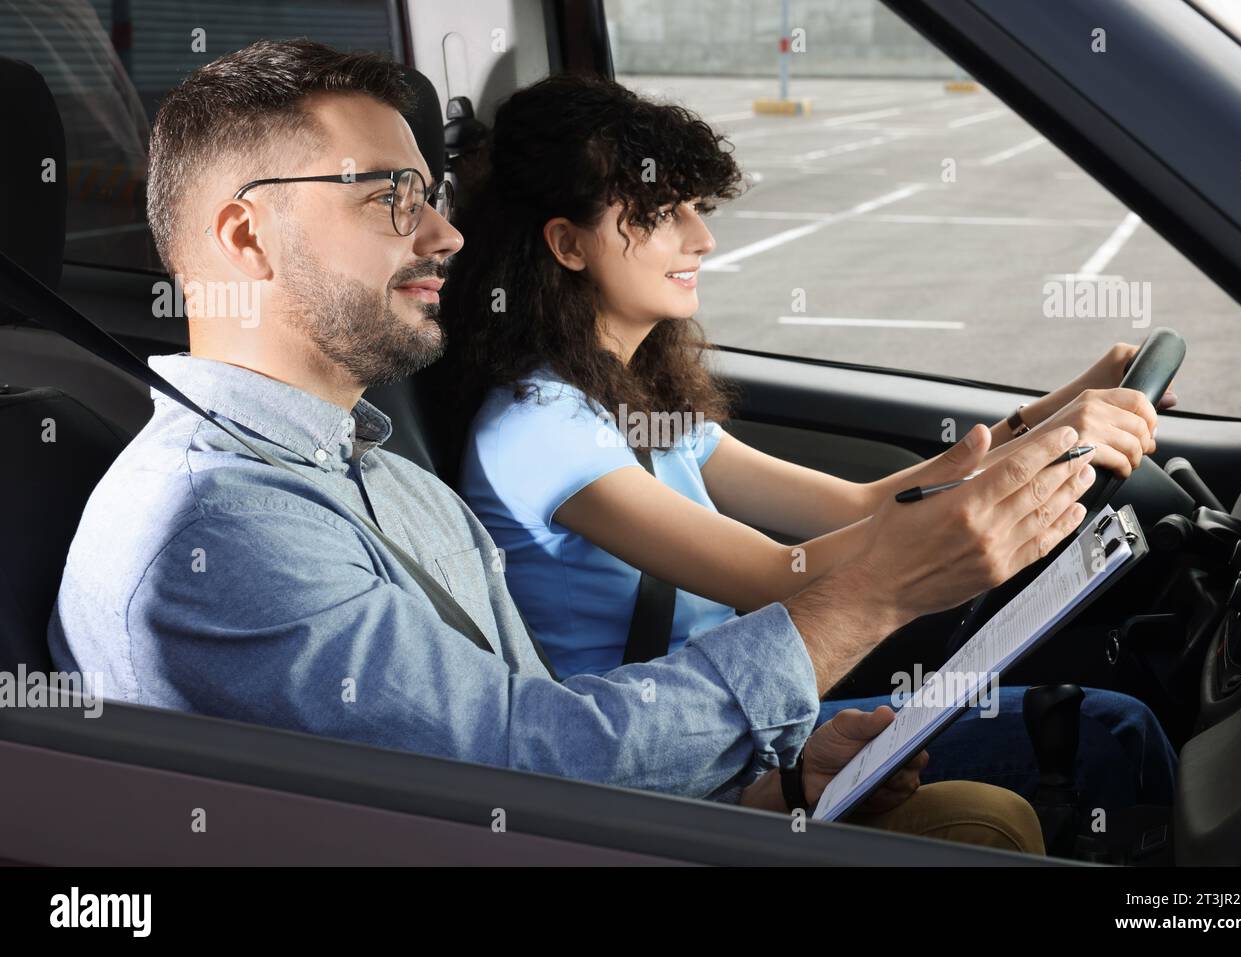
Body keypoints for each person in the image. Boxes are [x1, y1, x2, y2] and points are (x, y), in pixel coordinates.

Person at [44, 40, 1072, 852]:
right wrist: (869, 600)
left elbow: (534, 729)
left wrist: (773, 784)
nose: (443, 234)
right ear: (243, 238)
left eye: (431, 196)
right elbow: (510, 775)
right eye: (387, 199)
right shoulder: (216, 526)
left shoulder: (380, 475)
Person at [440, 73, 1177, 815]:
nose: (703, 237)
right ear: (568, 244)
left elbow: (855, 505)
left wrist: (1057, 414)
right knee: (1114, 734)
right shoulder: (537, 429)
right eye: (664, 214)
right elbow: (772, 577)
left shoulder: (635, 399)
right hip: (666, 768)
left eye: (697, 208)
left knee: (1109, 725)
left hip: (745, 724)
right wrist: (1000, 487)